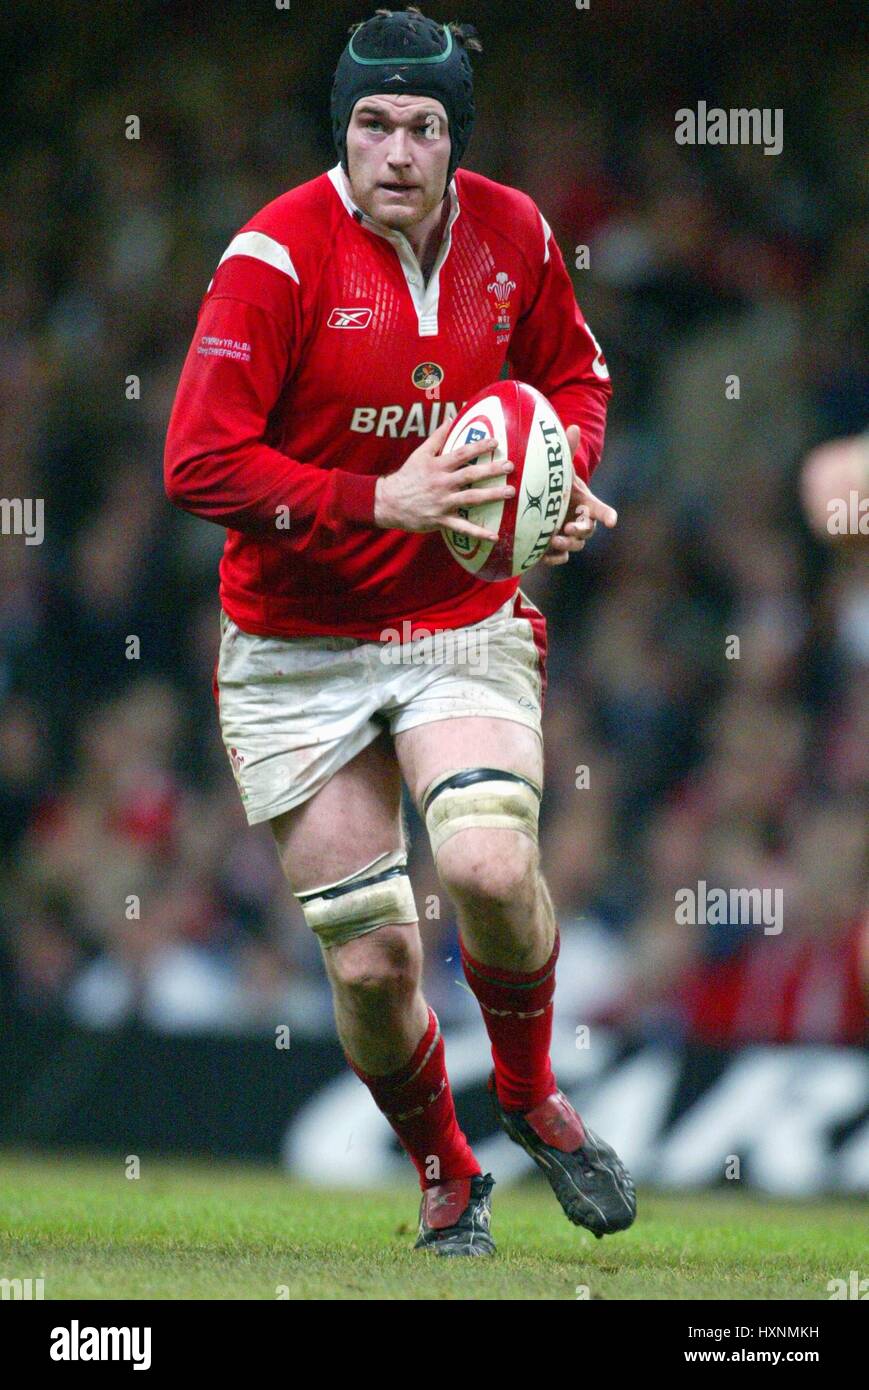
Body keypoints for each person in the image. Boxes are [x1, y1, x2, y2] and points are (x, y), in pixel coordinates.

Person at [164, 5, 635, 1255]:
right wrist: (385, 496)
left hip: (453, 618)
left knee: (485, 864)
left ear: (450, 139)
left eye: (422, 126)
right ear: (345, 133)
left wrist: (560, 478)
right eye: (371, 123)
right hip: (293, 647)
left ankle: (530, 1093)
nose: (396, 150)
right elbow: (200, 460)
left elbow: (572, 380)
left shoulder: (516, 233)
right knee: (372, 964)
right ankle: (444, 1167)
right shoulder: (273, 256)